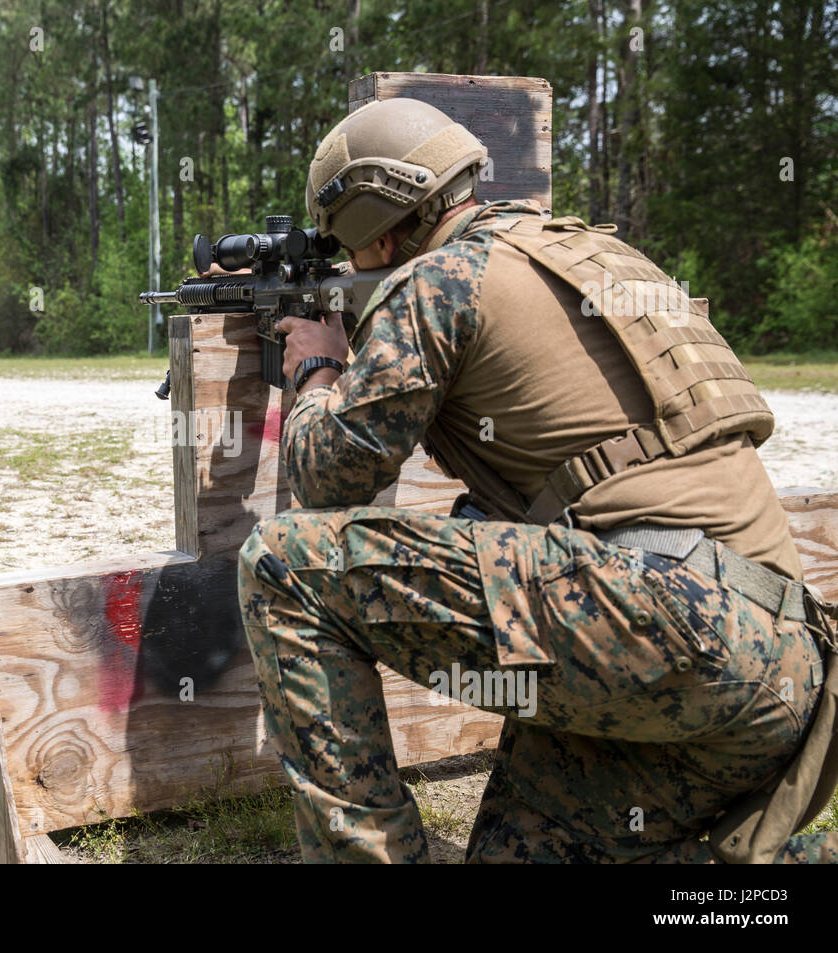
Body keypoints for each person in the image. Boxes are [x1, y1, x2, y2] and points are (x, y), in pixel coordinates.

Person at [236, 96, 838, 863]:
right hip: (781, 670)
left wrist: (318, 367)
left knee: (286, 563)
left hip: (662, 624)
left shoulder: (439, 279)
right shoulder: (592, 256)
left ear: (380, 229)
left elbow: (329, 479)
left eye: (350, 251)